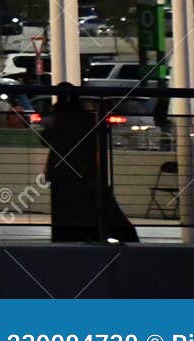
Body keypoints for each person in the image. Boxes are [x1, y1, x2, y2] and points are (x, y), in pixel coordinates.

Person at [43, 84, 138, 243]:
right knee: (93, 206)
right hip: (84, 170)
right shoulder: (85, 117)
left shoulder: (57, 116)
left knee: (64, 210)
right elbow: (92, 142)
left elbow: (47, 140)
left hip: (61, 172)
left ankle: (66, 238)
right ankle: (95, 233)